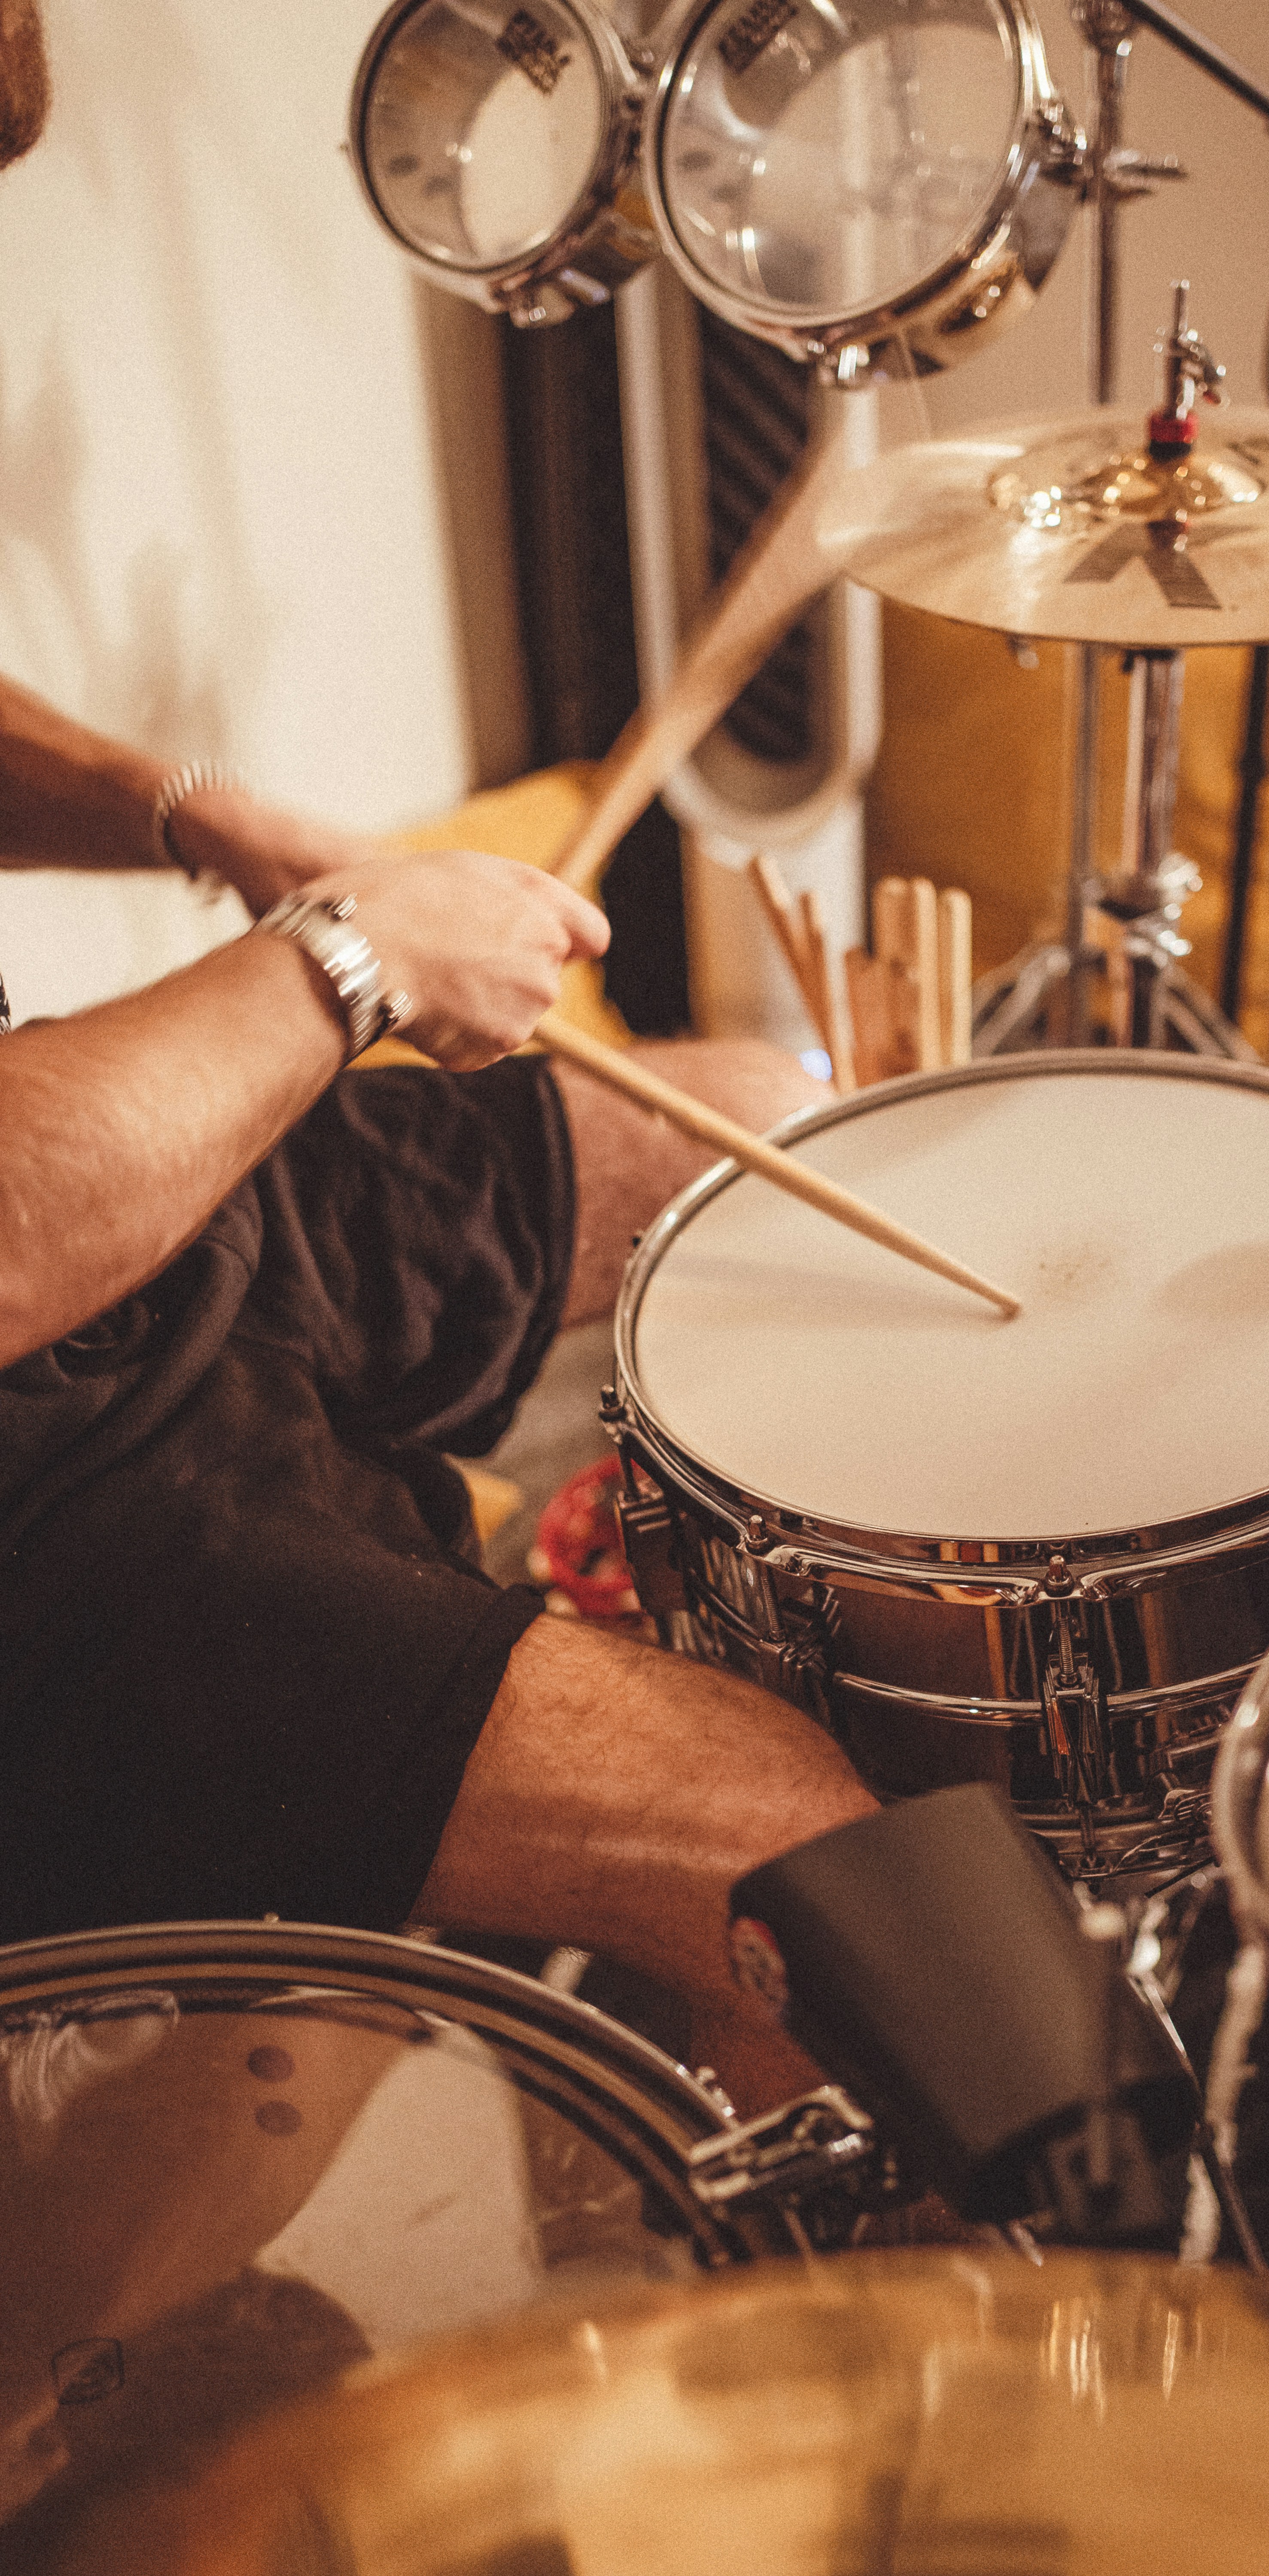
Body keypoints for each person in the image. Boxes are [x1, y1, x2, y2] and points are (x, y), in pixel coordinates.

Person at [0, 15, 877, 2116]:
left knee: (756, 1128)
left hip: (133, 1239)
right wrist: (361, 951)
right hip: (36, 1490)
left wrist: (183, 811)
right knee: (809, 1860)